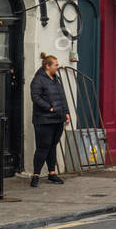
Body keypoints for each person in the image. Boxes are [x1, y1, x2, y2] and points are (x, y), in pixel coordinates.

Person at [28, 52, 69, 186]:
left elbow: (62, 97)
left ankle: (52, 173)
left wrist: (66, 113)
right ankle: (36, 176)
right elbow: (36, 98)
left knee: (53, 146)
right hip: (44, 120)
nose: (58, 67)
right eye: (55, 65)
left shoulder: (56, 79)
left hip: (58, 119)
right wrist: (49, 108)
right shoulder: (38, 80)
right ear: (47, 66)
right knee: (43, 147)